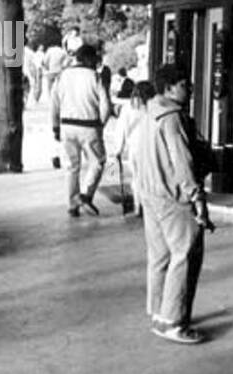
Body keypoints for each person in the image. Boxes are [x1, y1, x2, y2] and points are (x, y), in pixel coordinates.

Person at [134, 65, 217, 344]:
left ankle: (159, 311)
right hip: (173, 196)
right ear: (169, 88)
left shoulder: (149, 113)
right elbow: (182, 162)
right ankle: (173, 322)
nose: (189, 88)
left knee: (159, 257)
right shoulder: (173, 118)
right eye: (184, 83)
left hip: (151, 193)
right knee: (185, 254)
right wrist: (197, 197)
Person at [50, 43, 112, 217]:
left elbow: (54, 104)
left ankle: (72, 204)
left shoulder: (62, 76)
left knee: (71, 167)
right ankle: (86, 194)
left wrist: (55, 125)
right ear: (90, 58)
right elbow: (105, 105)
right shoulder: (95, 77)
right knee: (98, 162)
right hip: (90, 126)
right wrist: (102, 123)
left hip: (67, 126)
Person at [107, 79, 153, 217]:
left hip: (136, 148)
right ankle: (149, 206)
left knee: (137, 179)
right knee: (151, 178)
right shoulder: (153, 106)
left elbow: (120, 131)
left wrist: (117, 151)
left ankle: (139, 207)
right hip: (152, 147)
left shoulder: (128, 107)